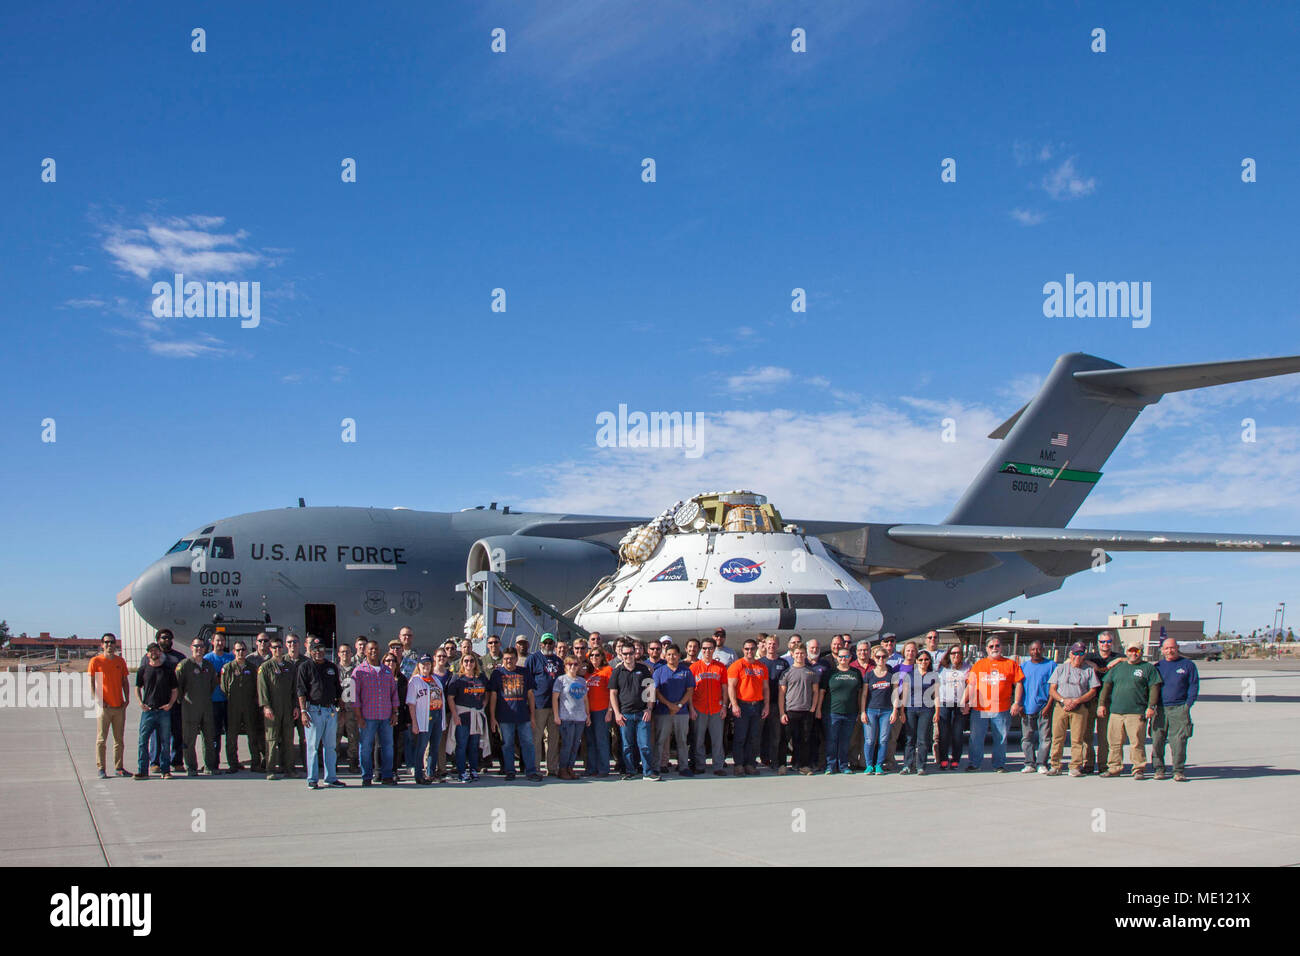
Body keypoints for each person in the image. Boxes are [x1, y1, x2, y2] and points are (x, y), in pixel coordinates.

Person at [1098, 638, 1162, 779]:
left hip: (1136, 712)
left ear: (1141, 652)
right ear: (1126, 652)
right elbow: (1106, 686)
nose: (1133, 653)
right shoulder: (1118, 668)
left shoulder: (1148, 668)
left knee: (1137, 743)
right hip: (1116, 712)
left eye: (1136, 651)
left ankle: (1138, 768)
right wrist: (1101, 704)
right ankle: (1114, 767)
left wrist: (1151, 707)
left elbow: (1154, 688)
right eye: (1131, 651)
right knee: (1114, 742)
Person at [965, 636, 1024, 772]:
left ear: (1001, 647)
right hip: (980, 708)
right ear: (986, 649)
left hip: (1001, 709)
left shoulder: (1010, 664)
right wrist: (966, 702)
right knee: (976, 737)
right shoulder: (979, 665)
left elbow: (1019, 683)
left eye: (997, 645)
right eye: (991, 646)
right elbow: (971, 685)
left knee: (1001, 738)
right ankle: (975, 763)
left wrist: (1016, 703)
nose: (994, 648)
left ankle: (999, 764)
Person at [488, 648, 543, 781]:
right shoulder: (497, 674)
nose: (509, 661)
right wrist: (492, 717)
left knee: (528, 743)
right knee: (507, 745)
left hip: (523, 716)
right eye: (506, 658)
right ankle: (510, 771)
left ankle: (530, 771)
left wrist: (532, 716)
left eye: (511, 658)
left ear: (516, 659)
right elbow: (493, 696)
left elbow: (530, 695)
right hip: (504, 717)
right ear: (503, 659)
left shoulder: (524, 672)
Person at [1046, 642, 1100, 777]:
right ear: (1070, 654)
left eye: (1081, 653)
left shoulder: (1088, 670)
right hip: (1061, 707)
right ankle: (1055, 765)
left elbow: (1093, 691)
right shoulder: (1061, 668)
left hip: (1079, 708)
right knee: (1057, 737)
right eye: (1075, 653)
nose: (1078, 656)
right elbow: (1052, 689)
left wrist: (1077, 701)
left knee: (1077, 739)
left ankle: (1075, 766)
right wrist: (1063, 700)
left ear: (1084, 655)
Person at [297, 637, 345, 789]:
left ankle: (330, 778)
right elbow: (301, 691)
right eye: (315, 649)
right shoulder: (305, 667)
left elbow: (338, 689)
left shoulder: (331, 667)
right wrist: (303, 711)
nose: (318, 652)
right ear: (310, 651)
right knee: (312, 747)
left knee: (331, 747)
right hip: (313, 711)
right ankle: (312, 779)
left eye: (321, 649)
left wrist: (341, 709)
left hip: (330, 711)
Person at [353, 640, 400, 786]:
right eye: (371, 649)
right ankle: (366, 777)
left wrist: (395, 713)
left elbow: (394, 694)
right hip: (367, 717)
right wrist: (359, 717)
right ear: (365, 651)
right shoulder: (359, 671)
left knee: (388, 747)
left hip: (386, 716)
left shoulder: (387, 671)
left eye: (376, 649)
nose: (374, 651)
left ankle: (387, 776)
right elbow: (355, 697)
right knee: (366, 747)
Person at [1152, 637, 1198, 782]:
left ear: (1177, 648)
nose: (1169, 651)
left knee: (1178, 741)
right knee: (1157, 740)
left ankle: (1178, 771)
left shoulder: (1188, 665)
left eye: (1172, 648)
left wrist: (1187, 705)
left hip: (1179, 708)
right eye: (1166, 648)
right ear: (1162, 650)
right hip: (1159, 709)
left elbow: (1194, 685)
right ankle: (1159, 769)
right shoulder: (1157, 666)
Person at [140, 629, 185, 772]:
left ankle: (177, 761)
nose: (166, 640)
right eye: (163, 637)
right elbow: (143, 680)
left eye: (169, 638)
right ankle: (155, 762)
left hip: (174, 702)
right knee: (156, 734)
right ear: (158, 639)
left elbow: (184, 679)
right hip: (156, 703)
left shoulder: (179, 658)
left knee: (177, 732)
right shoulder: (148, 658)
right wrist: (144, 700)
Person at [610, 642, 656, 781]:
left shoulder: (643, 669)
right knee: (627, 745)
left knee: (645, 745)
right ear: (621, 654)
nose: (628, 656)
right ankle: (630, 771)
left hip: (642, 713)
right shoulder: (617, 671)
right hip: (625, 714)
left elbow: (650, 690)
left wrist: (649, 709)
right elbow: (613, 693)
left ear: (635, 653)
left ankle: (648, 772)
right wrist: (617, 713)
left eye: (631, 653)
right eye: (625, 654)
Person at [88, 633, 131, 778]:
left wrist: (127, 699)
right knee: (101, 740)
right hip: (104, 708)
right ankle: (101, 768)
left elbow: (124, 681)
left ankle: (119, 768)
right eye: (106, 642)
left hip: (119, 706)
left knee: (119, 740)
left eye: (112, 642)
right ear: (102, 644)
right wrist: (99, 700)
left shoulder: (120, 661)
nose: (109, 645)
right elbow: (92, 683)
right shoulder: (96, 661)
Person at [175, 637, 219, 776]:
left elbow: (213, 684)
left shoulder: (208, 666)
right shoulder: (184, 665)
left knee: (209, 738)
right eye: (196, 646)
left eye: (201, 646)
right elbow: (178, 685)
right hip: (190, 707)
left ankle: (209, 766)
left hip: (206, 706)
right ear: (191, 647)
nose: (199, 649)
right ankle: (191, 767)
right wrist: (183, 700)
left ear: (205, 649)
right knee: (189, 738)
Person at [134, 641, 177, 779]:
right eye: (151, 651)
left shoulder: (168, 670)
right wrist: (140, 703)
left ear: (160, 652)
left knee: (165, 742)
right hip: (148, 711)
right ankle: (142, 771)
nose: (154, 653)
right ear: (147, 654)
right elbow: (137, 687)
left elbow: (174, 690)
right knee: (143, 741)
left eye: (156, 650)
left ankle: (165, 771)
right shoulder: (143, 670)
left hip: (163, 711)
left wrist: (170, 704)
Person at [257, 637, 298, 780]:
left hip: (288, 708)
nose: (277, 650)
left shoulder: (290, 667)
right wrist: (266, 706)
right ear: (270, 649)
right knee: (272, 739)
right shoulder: (265, 667)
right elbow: (262, 689)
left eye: (279, 647)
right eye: (274, 647)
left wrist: (295, 706)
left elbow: (294, 689)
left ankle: (289, 769)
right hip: (273, 709)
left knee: (288, 739)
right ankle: (270, 769)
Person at [220, 641, 263, 773]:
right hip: (233, 706)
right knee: (231, 736)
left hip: (249, 706)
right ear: (234, 651)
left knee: (252, 735)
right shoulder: (228, 668)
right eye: (238, 650)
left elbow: (257, 686)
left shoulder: (252, 668)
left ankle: (256, 763)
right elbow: (224, 687)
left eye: (243, 650)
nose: (241, 652)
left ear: (246, 651)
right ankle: (233, 764)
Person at [652, 643, 695, 776]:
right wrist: (670, 705)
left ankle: (683, 767)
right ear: (665, 656)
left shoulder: (686, 671)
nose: (671, 657)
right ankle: (657, 766)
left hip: (681, 712)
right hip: (663, 711)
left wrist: (679, 706)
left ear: (679, 655)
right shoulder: (659, 671)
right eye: (669, 654)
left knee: (682, 741)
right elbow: (656, 691)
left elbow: (690, 690)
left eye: (674, 654)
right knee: (660, 740)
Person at [727, 639, 768, 776]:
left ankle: (750, 764)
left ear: (756, 649)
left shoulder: (762, 667)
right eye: (747, 649)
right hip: (742, 705)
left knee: (753, 737)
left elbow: (766, 688)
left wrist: (766, 705)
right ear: (743, 650)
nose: (749, 651)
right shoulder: (737, 666)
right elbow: (731, 686)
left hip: (757, 705)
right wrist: (734, 705)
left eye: (752, 648)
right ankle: (739, 765)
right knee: (740, 736)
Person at [689, 638, 729, 776]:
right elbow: (689, 690)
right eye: (705, 648)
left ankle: (718, 766)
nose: (707, 651)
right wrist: (691, 708)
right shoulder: (694, 668)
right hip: (699, 709)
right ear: (701, 650)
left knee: (717, 740)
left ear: (714, 649)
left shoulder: (720, 667)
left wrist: (724, 706)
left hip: (716, 709)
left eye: (710, 648)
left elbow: (725, 688)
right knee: (698, 740)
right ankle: (700, 765)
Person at [1084, 632, 1123, 773]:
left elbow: (1132, 659)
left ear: (1112, 643)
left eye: (1108, 641)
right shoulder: (1090, 657)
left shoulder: (1117, 657)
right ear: (1098, 643)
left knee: (1104, 736)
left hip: (1107, 702)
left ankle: (1103, 765)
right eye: (1102, 641)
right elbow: (1071, 658)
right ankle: (1088, 764)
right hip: (1089, 701)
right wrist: (1089, 663)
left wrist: (1118, 660)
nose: (1105, 644)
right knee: (1086, 736)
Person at [778, 645, 820, 774]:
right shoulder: (786, 672)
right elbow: (781, 694)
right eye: (797, 653)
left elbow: (816, 691)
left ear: (805, 655)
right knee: (785, 739)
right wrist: (782, 713)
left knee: (804, 739)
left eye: (802, 653)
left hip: (806, 711)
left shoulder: (811, 672)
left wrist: (813, 707)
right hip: (790, 711)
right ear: (792, 654)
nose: (799, 656)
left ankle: (802, 765)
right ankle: (782, 764)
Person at [448, 654, 488, 782]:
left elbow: (487, 693)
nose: (469, 663)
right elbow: (450, 698)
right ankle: (462, 771)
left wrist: (483, 705)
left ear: (475, 663)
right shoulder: (457, 678)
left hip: (476, 715)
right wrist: (455, 715)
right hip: (462, 716)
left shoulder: (481, 678)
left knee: (474, 745)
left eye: (471, 661)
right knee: (461, 745)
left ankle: (473, 770)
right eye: (466, 661)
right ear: (462, 663)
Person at [406, 655, 444, 785]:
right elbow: (411, 703)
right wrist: (414, 723)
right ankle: (418, 774)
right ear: (419, 665)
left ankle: (430, 773)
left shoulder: (435, 679)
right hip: (424, 716)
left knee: (435, 746)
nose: (426, 666)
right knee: (421, 746)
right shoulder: (415, 681)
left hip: (437, 714)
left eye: (428, 664)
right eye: (423, 664)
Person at [823, 648, 862, 774]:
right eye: (840, 656)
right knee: (832, 740)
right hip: (832, 712)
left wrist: (860, 711)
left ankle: (843, 765)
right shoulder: (830, 673)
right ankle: (830, 766)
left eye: (846, 656)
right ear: (837, 658)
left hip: (850, 712)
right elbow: (822, 692)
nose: (843, 659)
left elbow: (860, 693)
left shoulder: (855, 673)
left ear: (850, 657)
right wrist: (818, 709)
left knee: (845, 740)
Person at [1019, 640, 1056, 774]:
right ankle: (1029, 763)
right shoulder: (1023, 667)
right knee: (1027, 738)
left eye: (1039, 649)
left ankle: (1041, 763)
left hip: (1044, 707)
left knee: (1045, 738)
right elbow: (1019, 687)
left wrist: (1049, 705)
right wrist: (1019, 705)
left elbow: (1054, 687)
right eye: (1033, 649)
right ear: (1029, 651)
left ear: (1043, 650)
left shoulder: (1051, 665)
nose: (1036, 652)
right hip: (1027, 707)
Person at [899, 650, 937, 774]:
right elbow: (904, 695)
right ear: (916, 661)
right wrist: (902, 711)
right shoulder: (909, 675)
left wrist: (937, 711)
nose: (923, 662)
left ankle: (921, 766)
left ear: (929, 661)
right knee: (910, 738)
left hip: (926, 710)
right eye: (920, 659)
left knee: (922, 739)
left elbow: (936, 695)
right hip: (911, 709)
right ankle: (907, 765)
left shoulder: (933, 676)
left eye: (926, 659)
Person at [553, 656, 591, 779]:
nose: (573, 667)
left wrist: (588, 715)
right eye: (570, 664)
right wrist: (556, 715)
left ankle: (570, 767)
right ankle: (562, 769)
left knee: (575, 745)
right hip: (566, 717)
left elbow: (585, 699)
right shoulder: (561, 680)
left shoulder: (582, 681)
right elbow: (555, 698)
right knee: (567, 744)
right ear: (565, 666)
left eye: (575, 664)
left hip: (580, 718)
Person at [860, 646, 896, 774]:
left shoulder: (891, 675)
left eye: (883, 657)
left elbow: (895, 694)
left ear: (887, 658)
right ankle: (869, 765)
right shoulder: (869, 675)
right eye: (878, 657)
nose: (881, 659)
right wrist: (863, 712)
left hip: (886, 711)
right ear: (874, 658)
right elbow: (864, 695)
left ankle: (879, 765)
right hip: (871, 710)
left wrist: (895, 711)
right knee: (869, 740)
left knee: (883, 740)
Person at [935, 644, 971, 770]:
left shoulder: (967, 668)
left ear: (962, 655)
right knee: (943, 734)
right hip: (944, 703)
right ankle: (943, 759)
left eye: (958, 653)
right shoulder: (942, 668)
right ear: (949, 655)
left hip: (960, 704)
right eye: (953, 653)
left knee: (957, 734)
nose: (956, 655)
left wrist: (967, 703)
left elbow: (971, 686)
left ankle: (955, 759)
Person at [758, 635, 790, 772]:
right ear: (765, 645)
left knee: (775, 735)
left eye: (774, 644)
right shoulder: (759, 663)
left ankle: (774, 760)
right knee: (758, 733)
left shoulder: (783, 663)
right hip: (761, 703)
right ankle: (762, 758)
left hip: (777, 704)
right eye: (769, 644)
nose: (771, 646)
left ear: (778, 645)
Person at [203, 633, 234, 771]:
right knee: (214, 734)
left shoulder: (230, 658)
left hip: (229, 701)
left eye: (222, 640)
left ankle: (233, 762)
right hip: (213, 701)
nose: (220, 643)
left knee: (231, 733)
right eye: (217, 640)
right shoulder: (207, 659)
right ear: (212, 642)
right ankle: (213, 762)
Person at [583, 645, 613, 776]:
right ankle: (591, 768)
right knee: (590, 741)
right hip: (588, 711)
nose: (594, 657)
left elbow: (613, 692)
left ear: (602, 657)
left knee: (601, 740)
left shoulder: (608, 670)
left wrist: (610, 711)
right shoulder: (587, 673)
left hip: (602, 710)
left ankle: (603, 769)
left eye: (597, 655)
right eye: (592, 655)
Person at [283, 634, 310, 772]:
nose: (292, 644)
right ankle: (288, 766)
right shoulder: (281, 661)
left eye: (294, 642)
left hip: (303, 705)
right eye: (289, 642)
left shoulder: (307, 662)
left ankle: (307, 765)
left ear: (299, 644)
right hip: (286, 705)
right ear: (286, 644)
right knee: (287, 738)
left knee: (305, 737)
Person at [385, 650, 412, 778]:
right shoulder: (379, 676)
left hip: (398, 714)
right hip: (381, 714)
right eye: (388, 661)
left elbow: (406, 700)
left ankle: (393, 770)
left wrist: (407, 719)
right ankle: (379, 771)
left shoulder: (402, 679)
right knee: (380, 744)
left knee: (394, 743)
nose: (390, 663)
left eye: (393, 661)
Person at [336, 643, 360, 772]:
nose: (345, 654)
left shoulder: (357, 670)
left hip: (352, 709)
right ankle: (333, 762)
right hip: (338, 709)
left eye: (347, 652)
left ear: (351, 654)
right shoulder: (334, 669)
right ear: (338, 654)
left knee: (353, 736)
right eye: (342, 652)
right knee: (335, 736)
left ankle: (353, 762)